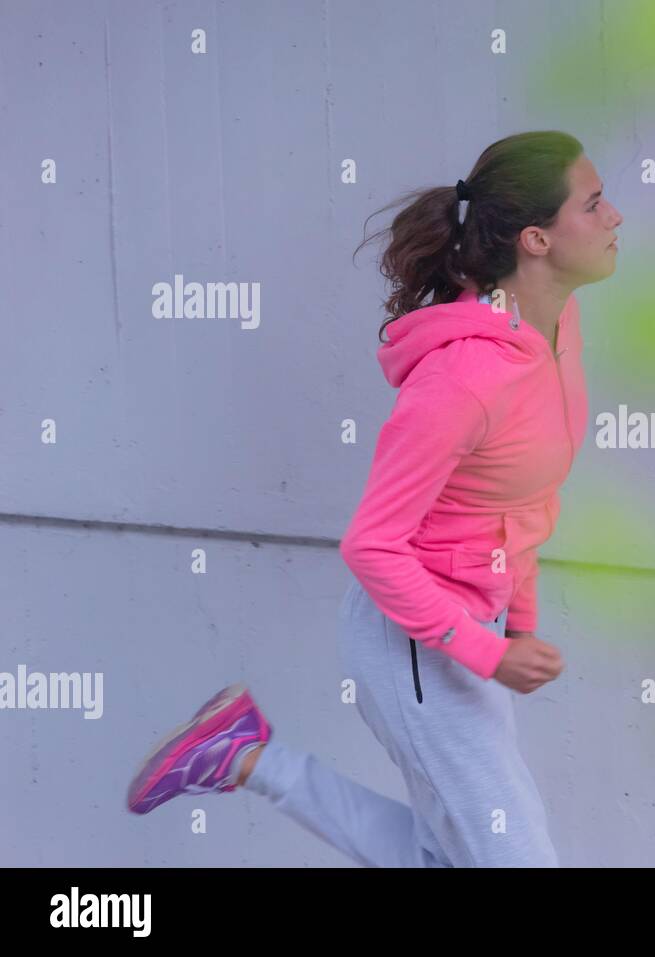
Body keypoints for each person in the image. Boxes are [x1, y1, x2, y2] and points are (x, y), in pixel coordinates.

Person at [125, 130, 623, 867]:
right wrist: (489, 651)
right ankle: (247, 759)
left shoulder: (555, 330)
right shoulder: (461, 378)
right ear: (536, 239)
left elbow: (517, 500)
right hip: (416, 644)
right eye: (594, 202)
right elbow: (371, 545)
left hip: (470, 620)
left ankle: (244, 757)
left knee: (447, 856)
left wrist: (517, 621)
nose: (615, 216)